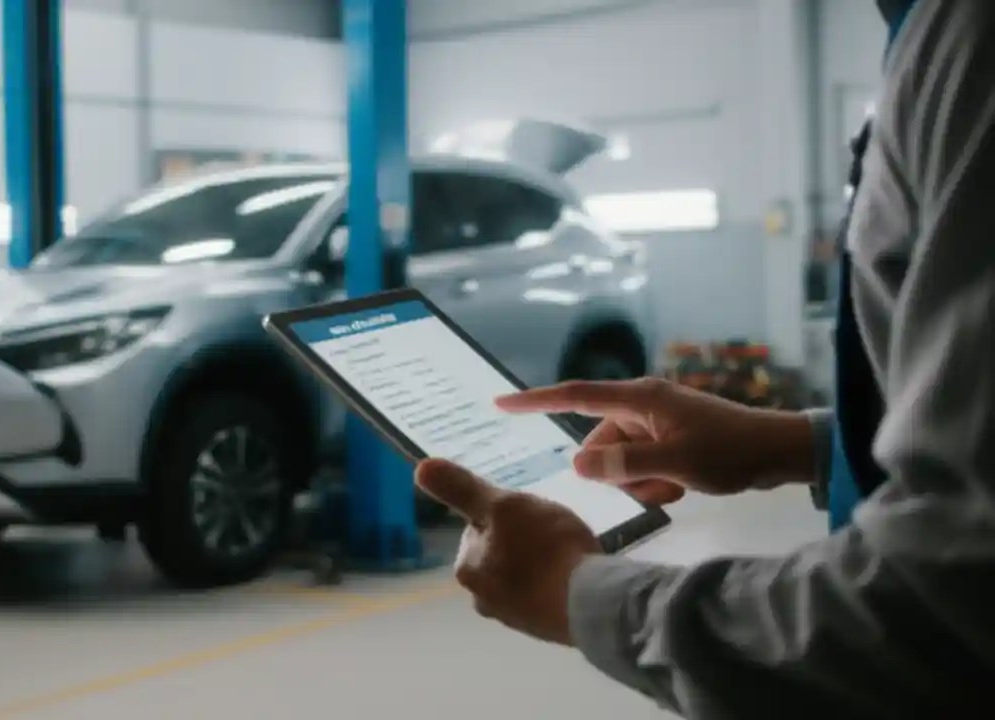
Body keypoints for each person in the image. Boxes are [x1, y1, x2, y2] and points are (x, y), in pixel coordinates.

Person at [413, 1, 995, 716]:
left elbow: (948, 606)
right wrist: (794, 445)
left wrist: (572, 591)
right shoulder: (931, 33)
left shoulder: (970, 40)